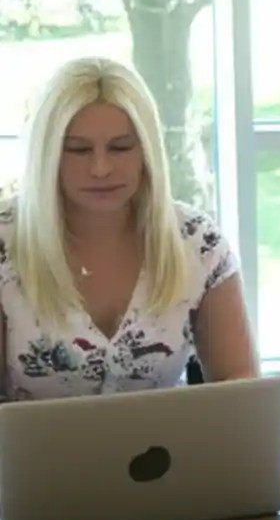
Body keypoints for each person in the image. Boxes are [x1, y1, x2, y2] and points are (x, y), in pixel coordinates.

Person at [0, 57, 257, 401]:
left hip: (171, 452)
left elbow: (240, 385)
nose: (101, 168)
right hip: (27, 455)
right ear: (48, 155)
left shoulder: (197, 243)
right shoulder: (7, 242)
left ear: (147, 152)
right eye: (78, 150)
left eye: (121, 147)